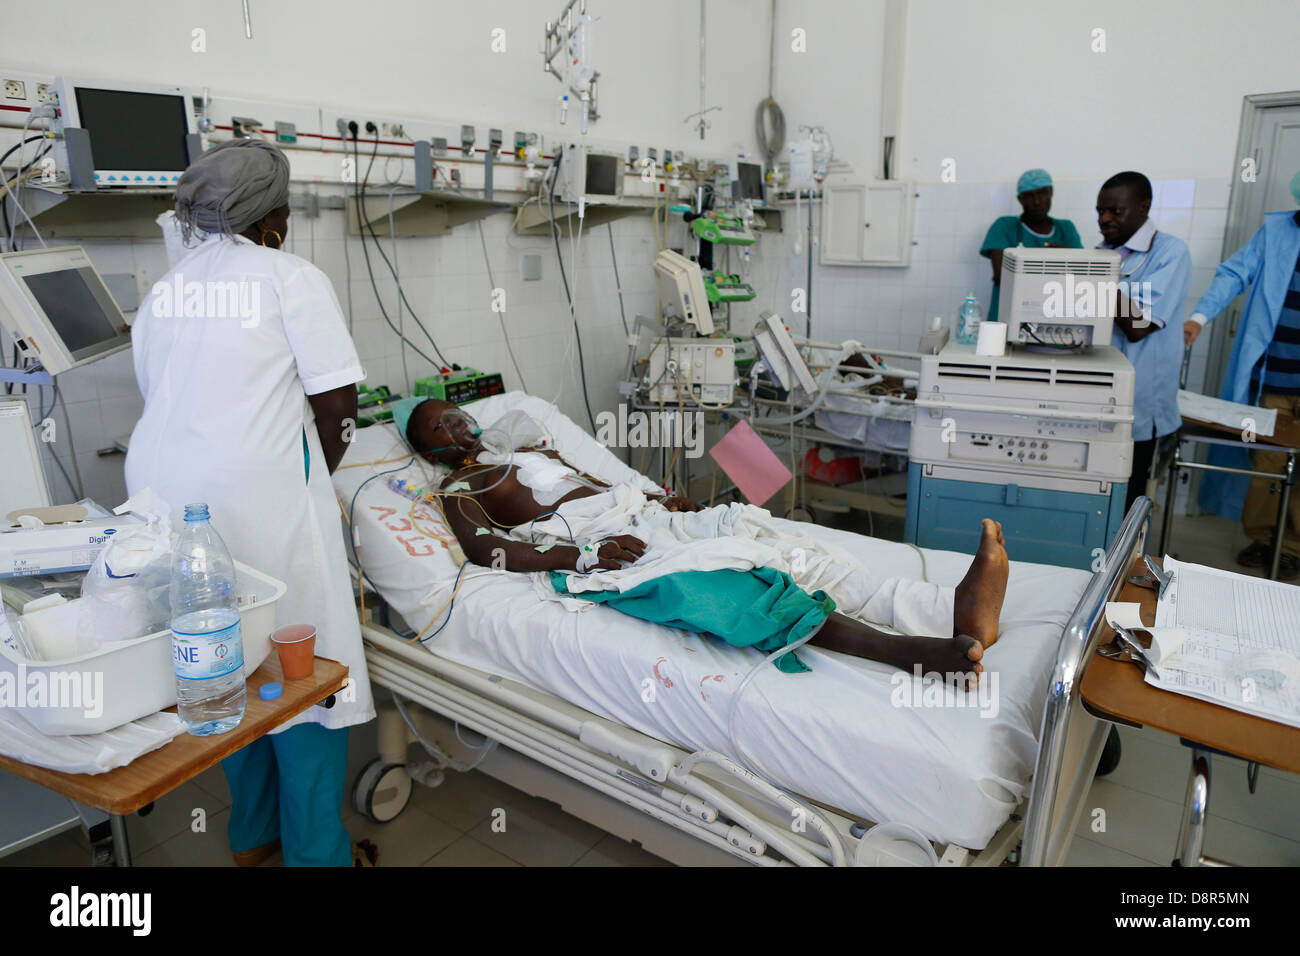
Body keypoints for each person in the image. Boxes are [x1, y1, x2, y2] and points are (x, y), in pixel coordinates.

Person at [126, 139, 376, 867]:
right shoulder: (287, 276)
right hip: (259, 502)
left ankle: (250, 842)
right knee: (304, 671)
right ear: (271, 214)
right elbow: (339, 406)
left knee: (224, 668)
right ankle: (317, 857)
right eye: (286, 209)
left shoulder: (166, 289)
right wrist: (308, 479)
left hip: (166, 503)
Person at [406, 400, 1010, 680]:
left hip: (642, 516)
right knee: (734, 589)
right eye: (441, 423)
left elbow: (602, 480)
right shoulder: (460, 487)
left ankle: (945, 610)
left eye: (458, 411)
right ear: (428, 447)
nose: (459, 422)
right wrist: (581, 555)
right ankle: (905, 654)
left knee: (775, 540)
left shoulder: (533, 447)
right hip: (604, 550)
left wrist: (661, 499)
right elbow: (490, 551)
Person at [1186, 170, 1300, 579]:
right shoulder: (1276, 232)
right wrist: (1199, 317)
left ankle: (1294, 547)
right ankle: (1267, 539)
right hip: (1275, 379)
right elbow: (1234, 273)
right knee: (1270, 462)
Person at [1095, 171, 1192, 512]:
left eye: (1115, 211)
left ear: (1143, 207)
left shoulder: (1169, 253)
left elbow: (1138, 326)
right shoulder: (1102, 254)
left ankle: (1123, 564)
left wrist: (1097, 275)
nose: (1104, 219)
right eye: (1100, 211)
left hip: (1141, 404)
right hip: (1097, 395)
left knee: (1128, 500)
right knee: (1096, 493)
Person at [980, 168, 1084, 320]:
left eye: (1043, 193)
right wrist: (1058, 264)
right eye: (1029, 196)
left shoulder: (1066, 229)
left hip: (1052, 320)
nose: (1037, 201)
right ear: (1020, 199)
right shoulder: (1004, 226)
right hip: (1005, 319)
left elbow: (1081, 277)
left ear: (1051, 193)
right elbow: (1002, 277)